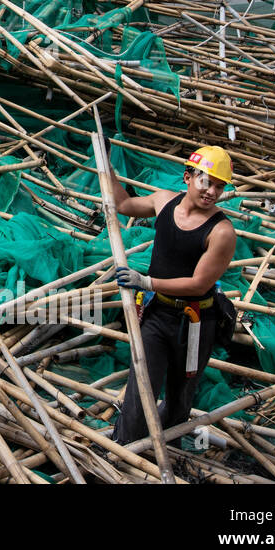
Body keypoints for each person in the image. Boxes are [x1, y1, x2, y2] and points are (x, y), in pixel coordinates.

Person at [108, 145, 238, 445]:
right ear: (187, 177)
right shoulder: (163, 202)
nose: (212, 192)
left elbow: (198, 285)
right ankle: (125, 450)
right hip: (156, 315)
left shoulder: (221, 232)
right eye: (206, 181)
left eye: (219, 186)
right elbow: (124, 204)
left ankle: (166, 446)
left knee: (180, 396)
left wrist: (147, 282)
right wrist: (109, 170)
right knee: (141, 388)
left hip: (195, 322)